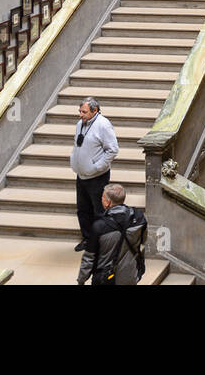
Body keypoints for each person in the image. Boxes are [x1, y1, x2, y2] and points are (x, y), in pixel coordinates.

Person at [71, 97, 119, 252]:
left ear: (95, 111)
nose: (80, 115)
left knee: (98, 210)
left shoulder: (103, 125)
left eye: (84, 112)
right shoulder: (80, 124)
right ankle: (87, 239)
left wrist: (97, 167)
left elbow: (113, 150)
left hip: (97, 176)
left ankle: (100, 242)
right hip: (81, 175)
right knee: (83, 210)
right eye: (80, 111)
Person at [76, 183, 147, 286]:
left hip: (106, 279)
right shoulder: (139, 217)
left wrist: (81, 280)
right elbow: (143, 240)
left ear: (107, 202)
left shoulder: (99, 226)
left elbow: (89, 258)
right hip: (131, 275)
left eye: (103, 197)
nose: (101, 199)